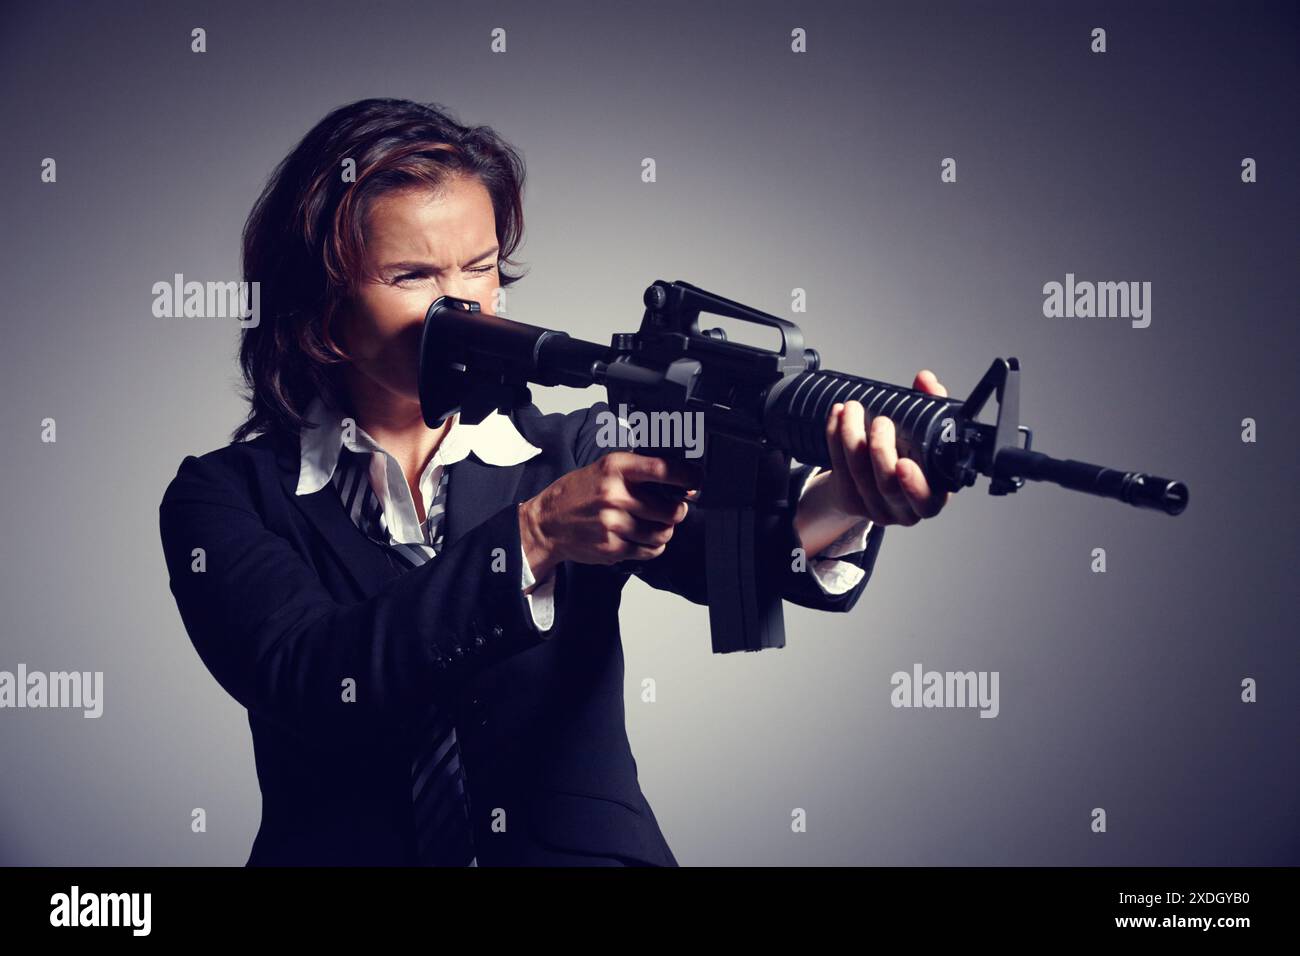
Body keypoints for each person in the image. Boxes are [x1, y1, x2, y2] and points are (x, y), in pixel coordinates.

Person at [158, 97, 951, 866]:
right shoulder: (223, 498)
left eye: (481, 265)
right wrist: (533, 539)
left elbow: (730, 551)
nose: (465, 301)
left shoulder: (575, 447)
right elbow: (313, 678)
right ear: (320, 310)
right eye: (412, 274)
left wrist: (848, 494)